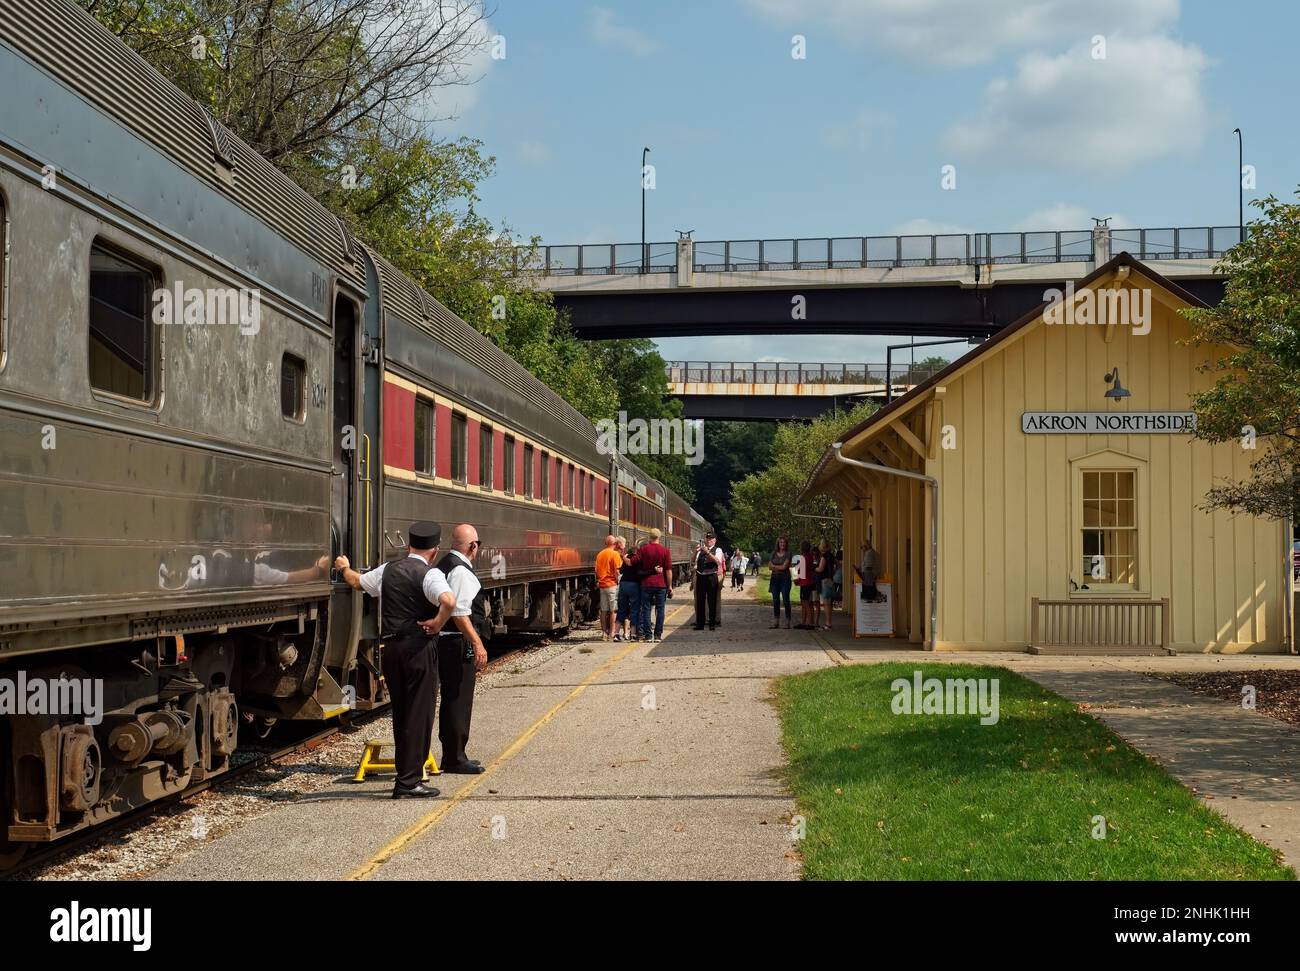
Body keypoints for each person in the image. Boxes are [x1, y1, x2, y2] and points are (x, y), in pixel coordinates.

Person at [335, 522, 455, 799]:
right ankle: (409, 782)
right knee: (420, 714)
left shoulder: (387, 570)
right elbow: (448, 601)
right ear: (434, 550)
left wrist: (343, 566)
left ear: (408, 546)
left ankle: (406, 777)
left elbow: (356, 582)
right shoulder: (430, 574)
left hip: (391, 650)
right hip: (419, 649)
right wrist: (437, 623)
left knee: (402, 713)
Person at [434, 524, 489, 773]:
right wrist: (477, 643)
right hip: (457, 642)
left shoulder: (445, 564)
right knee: (458, 698)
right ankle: (455, 758)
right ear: (472, 546)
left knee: (452, 698)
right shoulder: (461, 571)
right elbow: (459, 613)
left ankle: (454, 754)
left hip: (447, 641)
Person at [637, 528, 673, 642]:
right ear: (659, 537)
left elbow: (638, 566)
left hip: (646, 584)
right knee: (660, 609)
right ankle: (657, 635)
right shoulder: (665, 551)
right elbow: (668, 570)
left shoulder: (643, 550)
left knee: (646, 609)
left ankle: (648, 635)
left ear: (649, 537)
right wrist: (670, 586)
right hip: (661, 585)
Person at [595, 534, 622, 641]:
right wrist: (619, 582)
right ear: (614, 544)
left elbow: (596, 570)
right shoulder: (615, 554)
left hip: (602, 585)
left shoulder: (600, 554)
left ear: (606, 543)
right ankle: (611, 633)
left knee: (603, 610)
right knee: (613, 610)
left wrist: (599, 580)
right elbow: (617, 571)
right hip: (612, 585)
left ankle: (603, 633)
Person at [693, 531, 722, 630]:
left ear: (715, 540)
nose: (709, 540)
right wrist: (696, 551)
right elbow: (693, 560)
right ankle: (700, 624)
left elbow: (717, 561)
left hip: (711, 577)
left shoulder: (717, 550)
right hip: (701, 576)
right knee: (700, 600)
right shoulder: (700, 550)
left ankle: (712, 623)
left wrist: (707, 552)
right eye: (707, 538)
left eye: (711, 538)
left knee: (712, 600)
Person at [768, 537, 792, 629]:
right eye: (780, 542)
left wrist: (774, 566)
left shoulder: (788, 554)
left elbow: (784, 567)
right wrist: (778, 566)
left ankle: (787, 621)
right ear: (778, 543)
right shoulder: (773, 553)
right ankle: (776, 622)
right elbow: (769, 566)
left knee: (786, 600)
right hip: (774, 580)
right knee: (775, 601)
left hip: (785, 579)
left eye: (784, 542)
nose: (782, 544)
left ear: (786, 544)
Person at [795, 539, 816, 629]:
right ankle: (805, 622)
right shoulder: (810, 557)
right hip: (809, 582)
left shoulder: (804, 558)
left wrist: (797, 580)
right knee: (806, 603)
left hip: (805, 583)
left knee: (805, 603)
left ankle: (808, 623)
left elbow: (801, 572)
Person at [818, 540, 835, 630]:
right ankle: (829, 622)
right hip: (831, 580)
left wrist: (814, 568)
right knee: (829, 602)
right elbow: (838, 565)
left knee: (826, 603)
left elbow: (820, 569)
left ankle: (828, 623)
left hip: (825, 581)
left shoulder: (824, 557)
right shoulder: (832, 556)